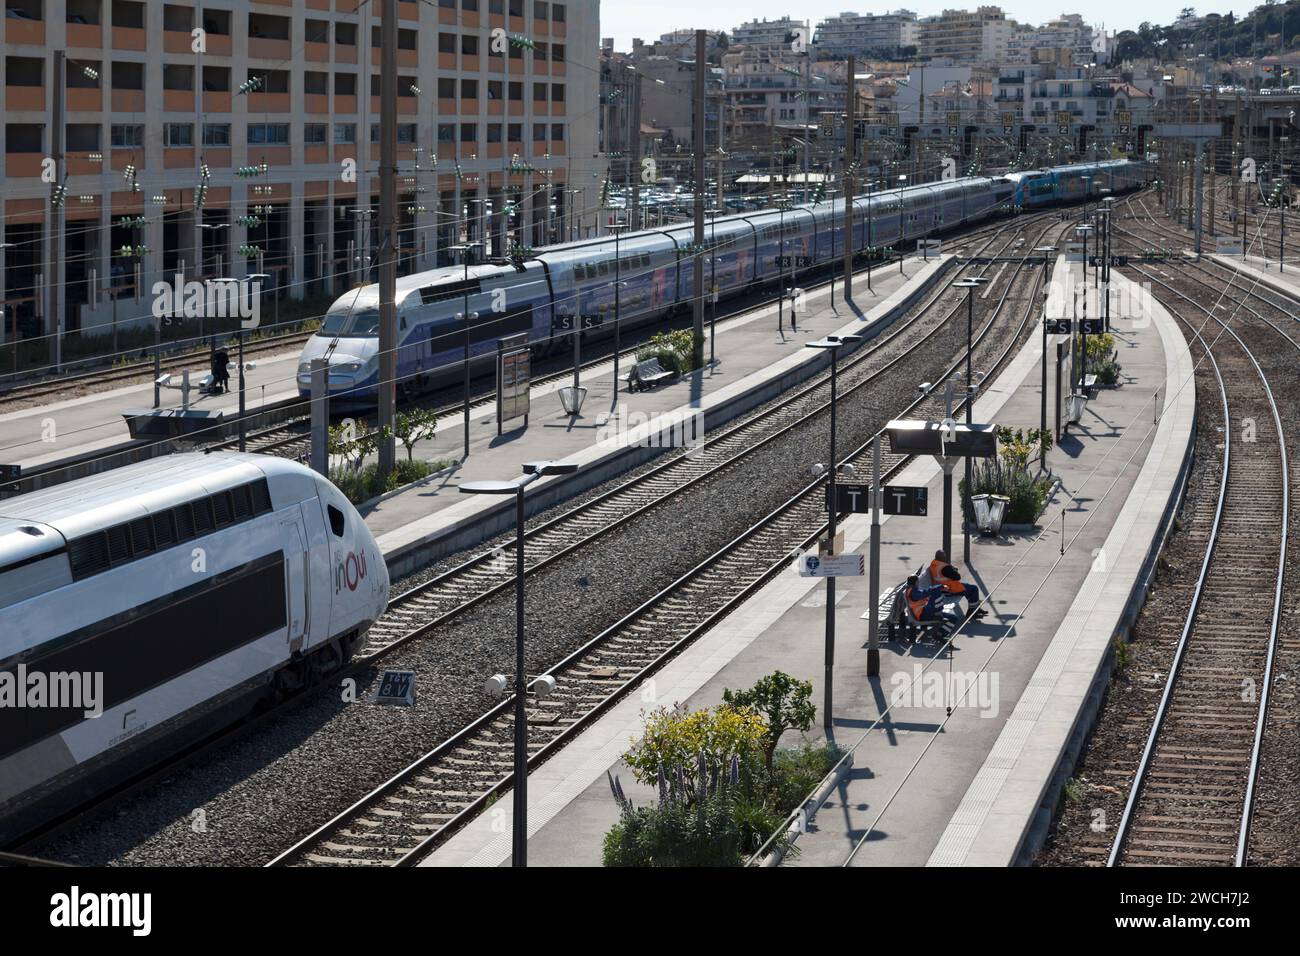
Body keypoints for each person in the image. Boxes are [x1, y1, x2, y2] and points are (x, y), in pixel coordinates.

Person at [929, 549, 986, 620]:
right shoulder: (945, 567)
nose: (945, 558)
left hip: (941, 587)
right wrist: (954, 570)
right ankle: (972, 612)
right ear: (943, 558)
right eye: (945, 557)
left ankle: (975, 609)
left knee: (968, 587)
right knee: (973, 589)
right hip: (950, 589)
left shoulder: (933, 563)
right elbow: (957, 577)